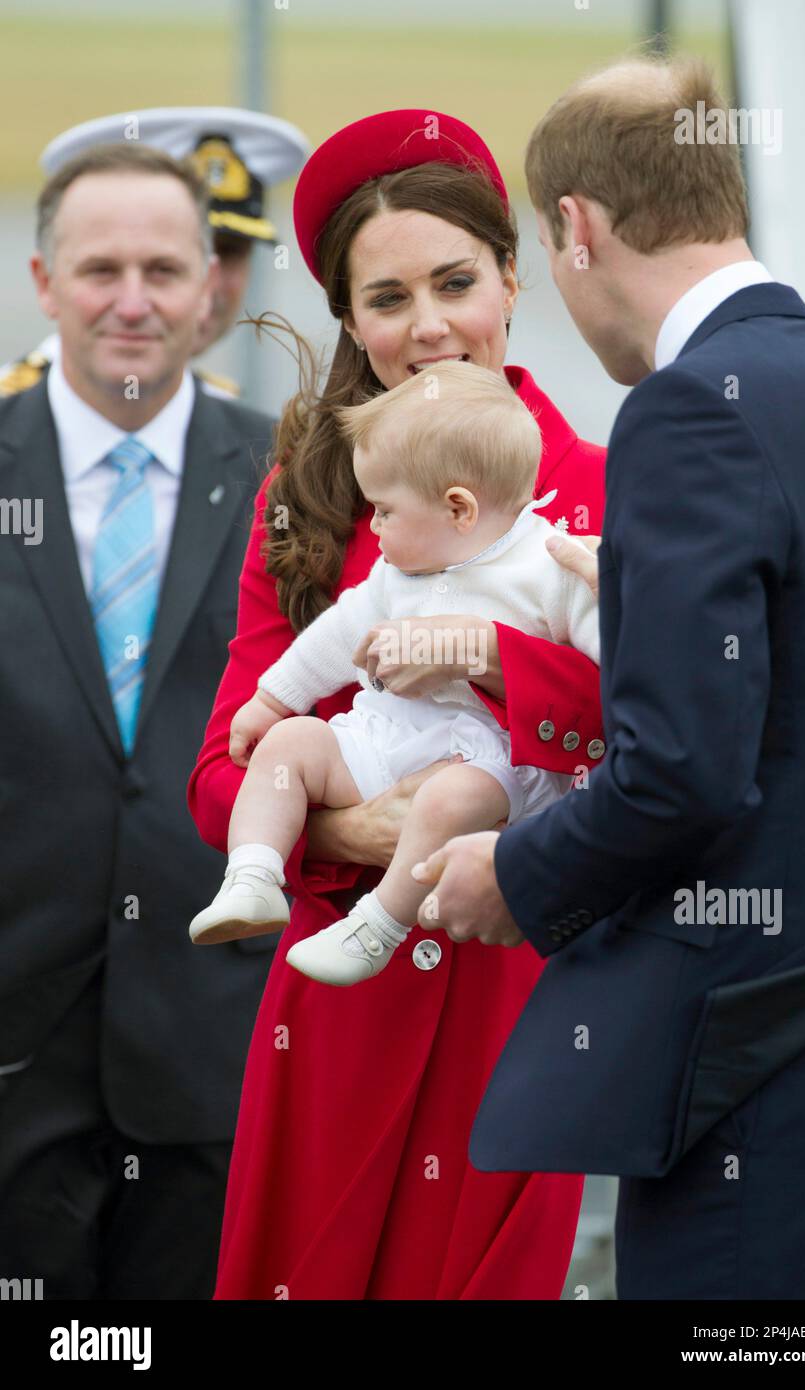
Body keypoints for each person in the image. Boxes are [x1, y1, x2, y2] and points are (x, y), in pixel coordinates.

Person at [416, 56, 805, 1301]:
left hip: (752, 1066)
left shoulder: (688, 411)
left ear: (574, 227)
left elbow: (681, 769)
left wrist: (514, 872)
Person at [188, 108, 606, 1300]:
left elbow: (660, 745)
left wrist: (489, 661)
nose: (427, 330)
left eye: (455, 282)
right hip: (332, 1001)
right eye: (385, 300)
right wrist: (364, 832)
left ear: (513, 279)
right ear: (350, 322)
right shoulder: (314, 494)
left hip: (513, 991)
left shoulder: (601, 493)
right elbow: (221, 772)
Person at [0, 142, 275, 1298]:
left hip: (212, 1042)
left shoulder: (291, 474)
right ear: (43, 279)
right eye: (98, 267)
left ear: (211, 286)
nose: (130, 300)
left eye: (163, 269)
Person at [188, 361, 599, 986]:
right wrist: (273, 700)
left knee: (448, 801)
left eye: (383, 510)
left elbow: (621, 675)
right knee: (291, 745)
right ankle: (253, 876)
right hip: (386, 737)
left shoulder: (552, 566)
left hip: (488, 759)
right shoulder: (399, 570)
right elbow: (336, 634)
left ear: (457, 508)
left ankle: (377, 926)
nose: (372, 525)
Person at [0, 106, 309, 399]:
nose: (207, 285)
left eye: (228, 252)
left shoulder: (240, 424)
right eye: (105, 268)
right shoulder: (12, 410)